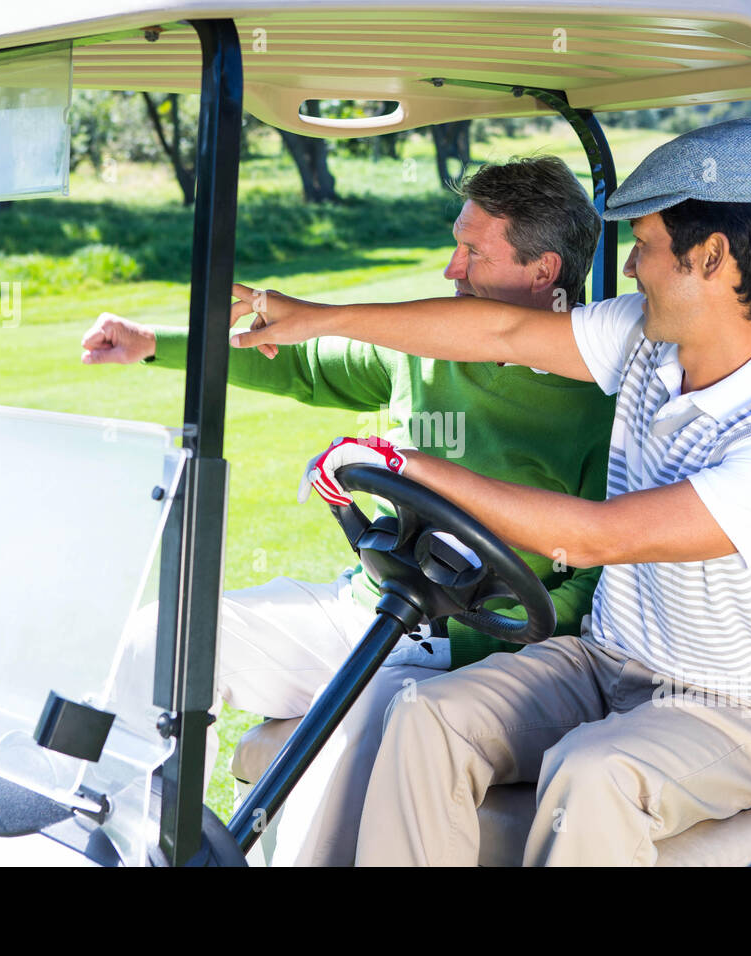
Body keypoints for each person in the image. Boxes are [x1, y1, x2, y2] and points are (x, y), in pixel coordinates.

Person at [229, 118, 751, 866]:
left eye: (646, 246)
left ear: (711, 258)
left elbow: (599, 536)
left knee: (592, 773)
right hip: (606, 664)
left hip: (736, 714)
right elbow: (498, 333)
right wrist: (311, 318)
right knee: (425, 714)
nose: (630, 267)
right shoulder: (648, 344)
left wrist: (411, 465)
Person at [80, 156, 615, 866]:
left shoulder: (604, 402)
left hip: (473, 647)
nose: (450, 269)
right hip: (369, 607)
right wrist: (154, 345)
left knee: (346, 733)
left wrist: (480, 642)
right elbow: (299, 363)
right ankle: (124, 843)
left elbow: (600, 579)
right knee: (168, 635)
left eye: (472, 252)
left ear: (543, 270)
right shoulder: (426, 349)